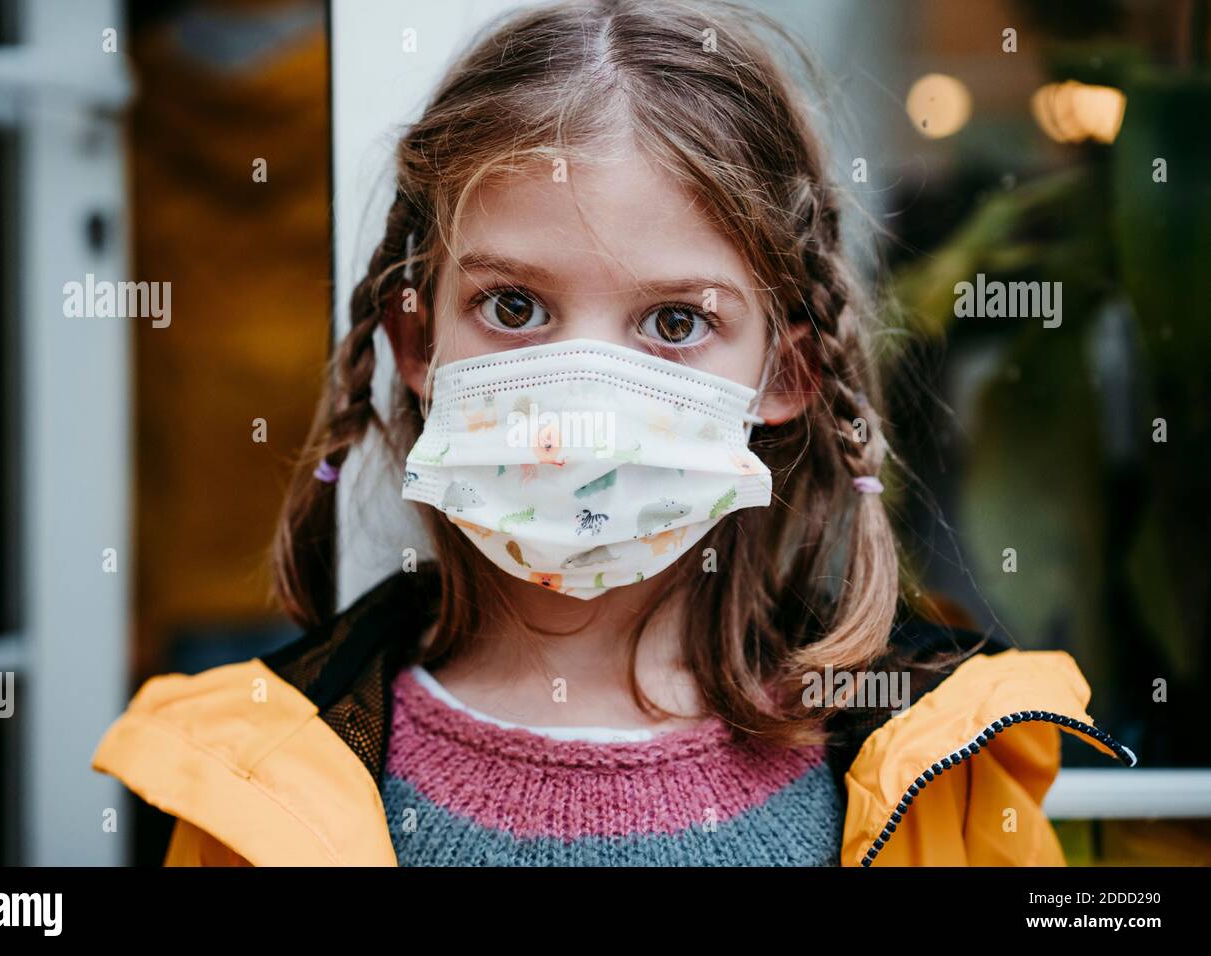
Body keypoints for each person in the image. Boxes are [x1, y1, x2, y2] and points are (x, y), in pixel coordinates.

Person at [92, 0, 1136, 867]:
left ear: (784, 375)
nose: (586, 400)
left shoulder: (939, 776)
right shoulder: (255, 783)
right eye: (514, 306)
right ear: (417, 344)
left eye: (675, 322)